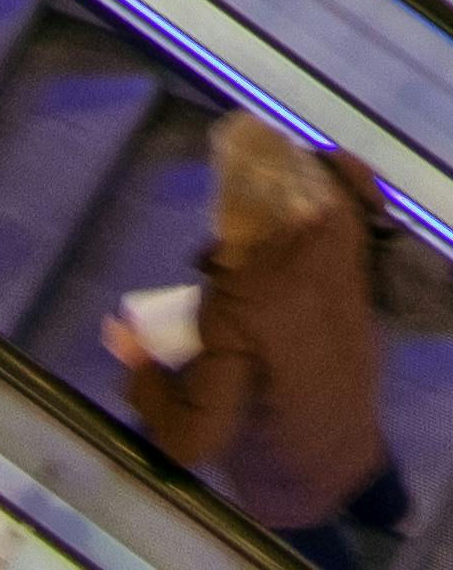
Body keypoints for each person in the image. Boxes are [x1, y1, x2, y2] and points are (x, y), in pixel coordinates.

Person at [106, 111, 411, 570]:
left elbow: (192, 439)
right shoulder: (340, 205)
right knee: (364, 467)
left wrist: (141, 365)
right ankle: (393, 515)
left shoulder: (237, 308)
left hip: (291, 475)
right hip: (355, 404)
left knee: (306, 534)